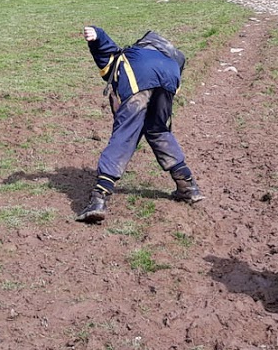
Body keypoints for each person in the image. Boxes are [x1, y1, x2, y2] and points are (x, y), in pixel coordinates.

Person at [76, 25, 201, 223]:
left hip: (141, 72)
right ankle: (188, 186)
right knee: (157, 130)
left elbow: (106, 48)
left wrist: (96, 33)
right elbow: (180, 59)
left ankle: (99, 198)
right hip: (171, 72)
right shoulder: (152, 52)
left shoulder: (118, 64)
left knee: (125, 133)